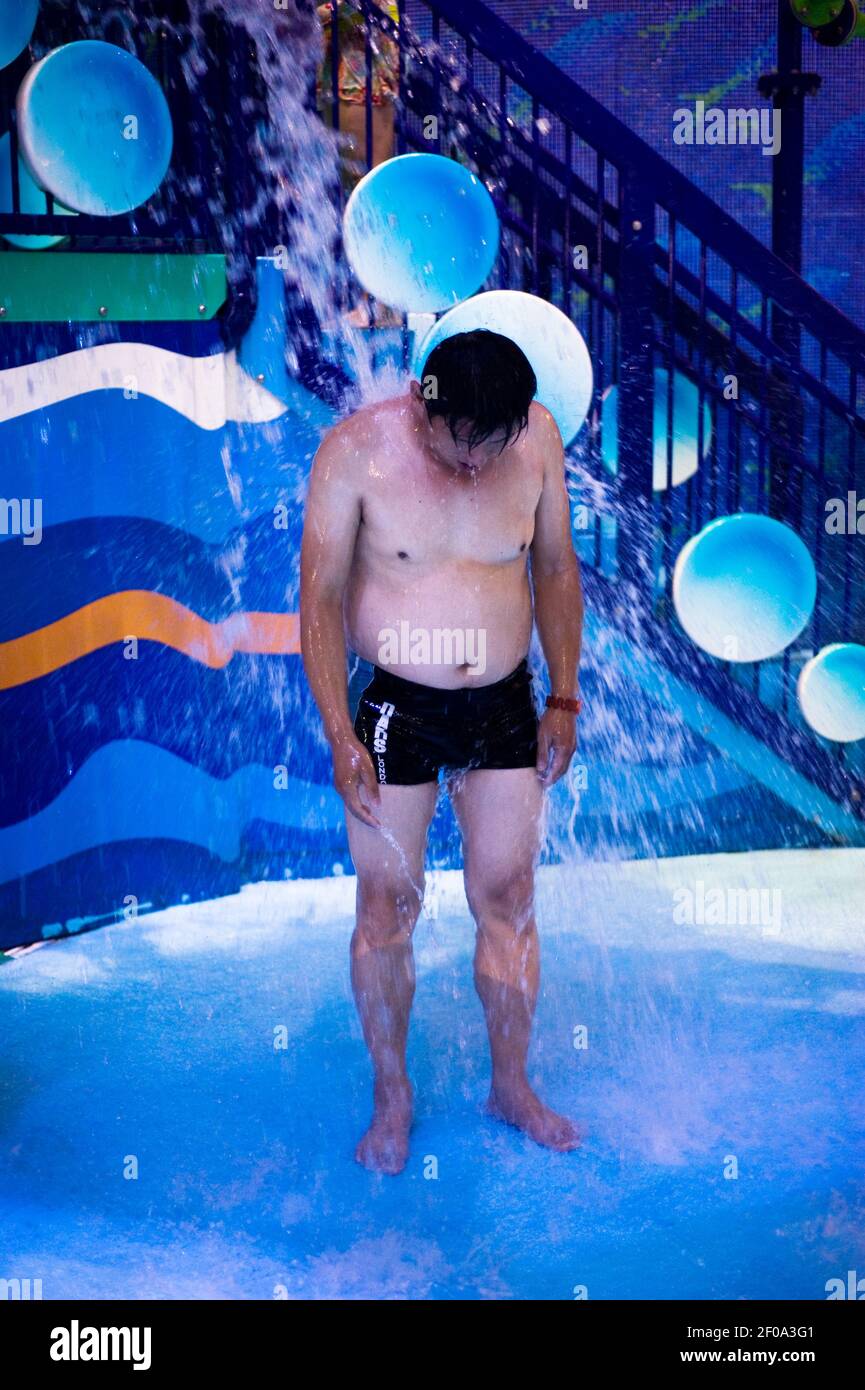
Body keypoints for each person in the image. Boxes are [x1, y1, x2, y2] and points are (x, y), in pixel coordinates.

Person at [300, 329, 584, 1174]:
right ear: (427, 403)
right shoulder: (354, 452)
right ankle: (393, 1096)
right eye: (463, 441)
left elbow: (558, 569)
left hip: (502, 703)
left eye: (492, 445)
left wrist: (562, 695)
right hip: (396, 712)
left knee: (508, 894)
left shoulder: (530, 438)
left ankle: (511, 1084)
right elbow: (316, 600)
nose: (475, 463)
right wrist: (338, 732)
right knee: (387, 906)